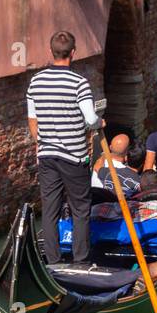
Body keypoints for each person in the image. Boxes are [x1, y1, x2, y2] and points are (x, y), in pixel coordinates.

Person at [27, 31, 103, 263]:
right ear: (73, 53)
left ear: (51, 52)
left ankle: (53, 262)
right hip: (75, 158)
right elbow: (90, 120)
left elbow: (33, 121)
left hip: (47, 156)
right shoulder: (79, 83)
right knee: (80, 209)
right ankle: (80, 261)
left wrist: (43, 143)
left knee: (50, 211)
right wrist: (100, 122)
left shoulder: (36, 82)